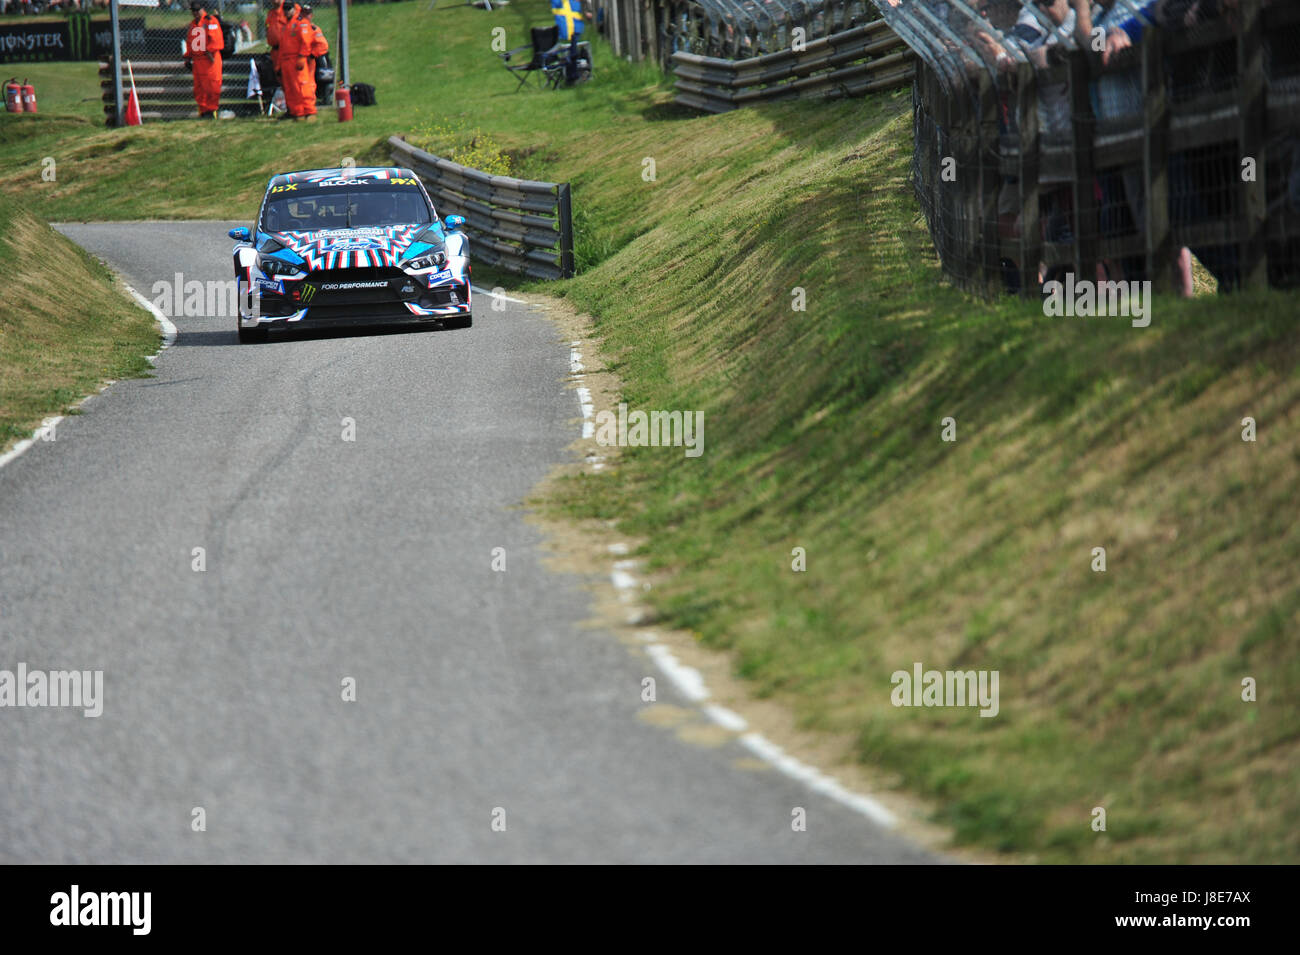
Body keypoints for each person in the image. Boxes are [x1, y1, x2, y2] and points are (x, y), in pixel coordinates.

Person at [281, 3, 328, 120]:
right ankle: (297, 112)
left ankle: (309, 111)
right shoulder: (288, 25)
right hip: (288, 60)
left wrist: (308, 56)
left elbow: (318, 44)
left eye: (308, 13)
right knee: (291, 87)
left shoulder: (305, 25)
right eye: (303, 13)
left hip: (302, 60)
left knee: (304, 85)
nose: (305, 15)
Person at [183, 0, 225, 119]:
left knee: (212, 86)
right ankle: (203, 110)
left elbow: (216, 41)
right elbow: (191, 42)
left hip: (209, 59)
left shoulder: (210, 21)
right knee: (199, 88)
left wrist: (208, 51)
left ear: (202, 9)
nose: (195, 13)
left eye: (197, 10)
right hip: (197, 61)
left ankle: (211, 111)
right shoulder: (193, 24)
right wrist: (188, 57)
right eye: (193, 11)